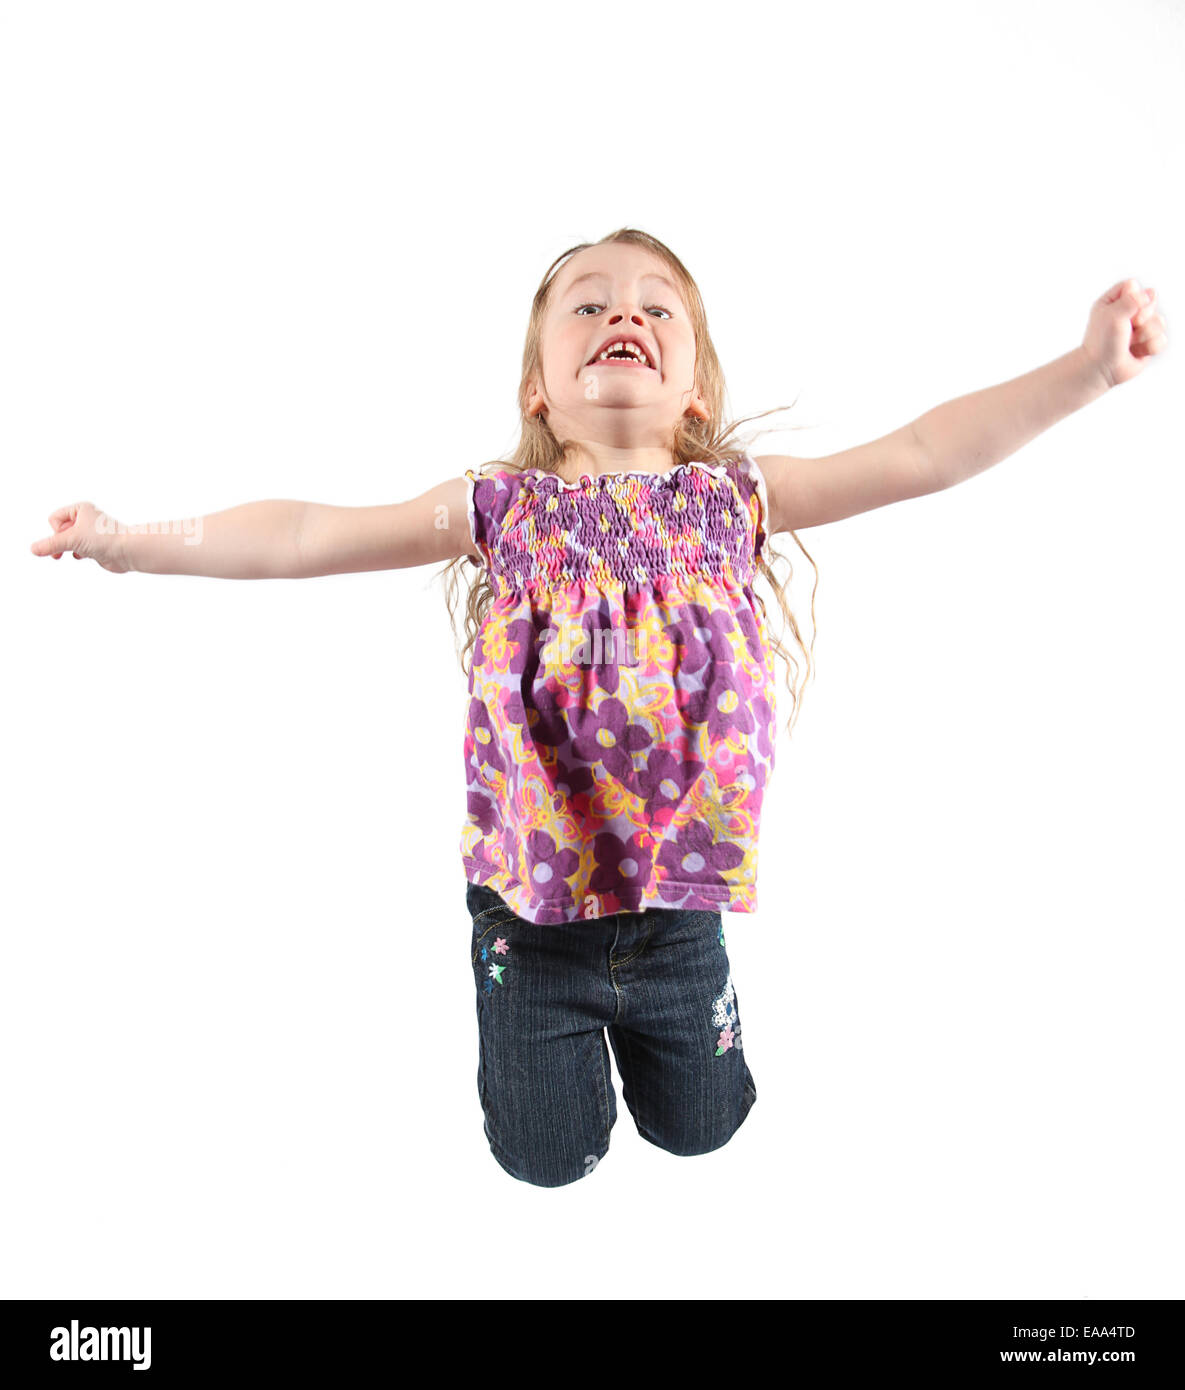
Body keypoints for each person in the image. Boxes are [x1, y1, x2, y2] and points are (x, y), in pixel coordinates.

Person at [30, 229, 1167, 1188]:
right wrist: (132, 542)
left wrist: (1084, 372)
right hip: (529, 921)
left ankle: (679, 1042)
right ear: (539, 383)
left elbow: (924, 451)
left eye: (656, 307)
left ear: (695, 388)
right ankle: (534, 1045)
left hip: (681, 912)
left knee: (704, 1130)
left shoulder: (735, 502)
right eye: (588, 304)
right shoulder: (497, 512)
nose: (623, 313)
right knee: (546, 1161)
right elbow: (301, 534)